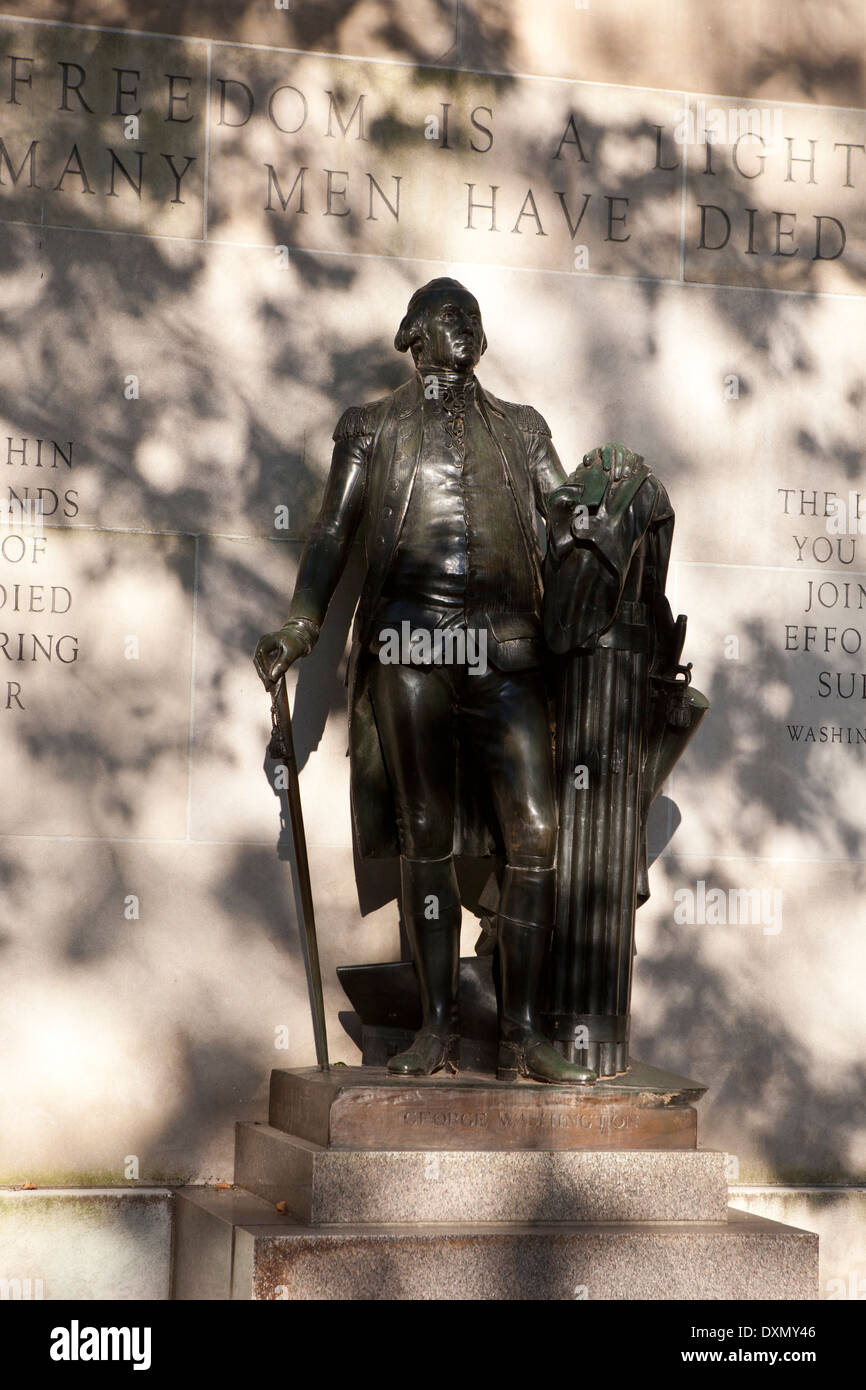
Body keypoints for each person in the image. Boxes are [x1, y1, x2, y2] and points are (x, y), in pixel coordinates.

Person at [254, 277, 596, 1085]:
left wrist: (609, 517)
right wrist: (302, 624)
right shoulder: (372, 428)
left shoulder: (522, 428)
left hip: (507, 653)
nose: (466, 330)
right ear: (413, 334)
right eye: (449, 319)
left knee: (537, 834)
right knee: (425, 834)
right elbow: (333, 529)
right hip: (410, 654)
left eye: (473, 318)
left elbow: (569, 517)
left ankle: (519, 1030)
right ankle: (437, 1027)